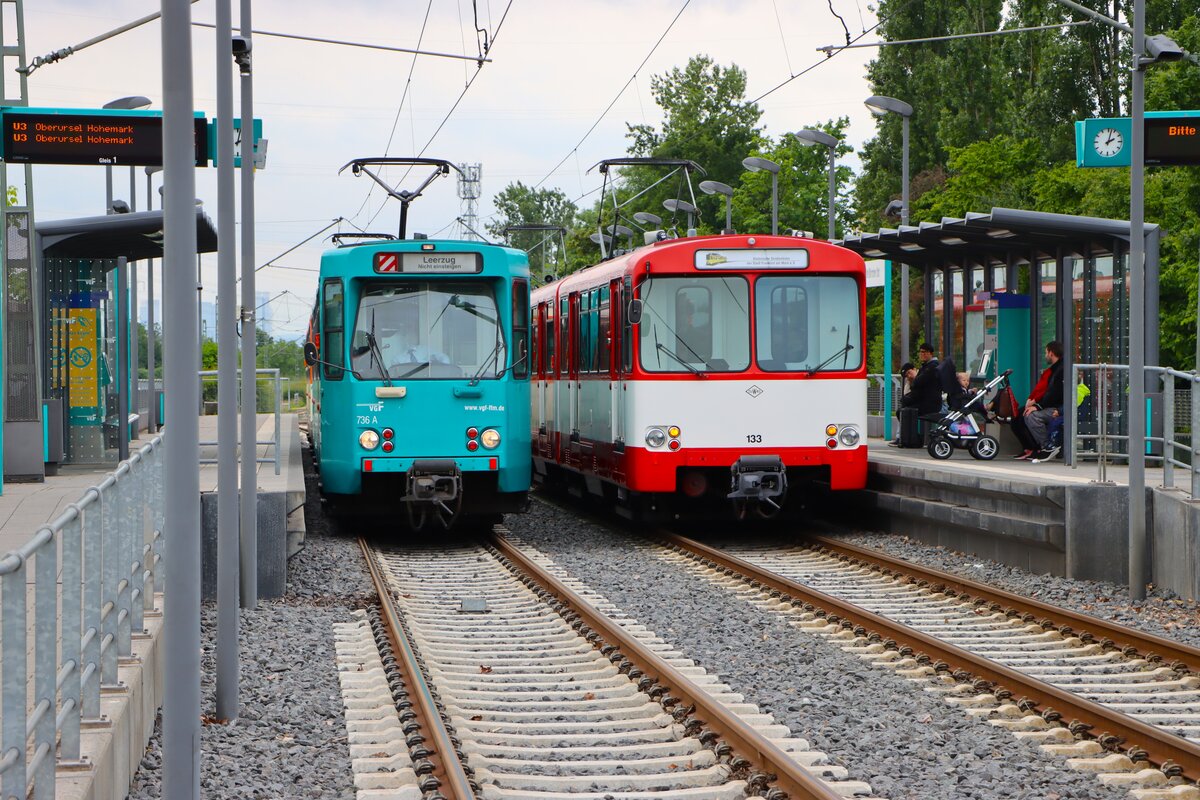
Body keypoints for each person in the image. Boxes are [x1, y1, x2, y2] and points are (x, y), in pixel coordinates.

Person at [1010, 341, 1064, 460]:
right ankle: (1034, 447)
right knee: (1019, 415)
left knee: (1031, 416)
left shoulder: (1060, 370)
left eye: (1046, 352)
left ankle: (1047, 445)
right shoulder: (1056, 369)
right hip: (1053, 406)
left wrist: (1038, 406)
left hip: (1059, 408)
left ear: (1051, 353)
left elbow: (1055, 394)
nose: (1045, 356)